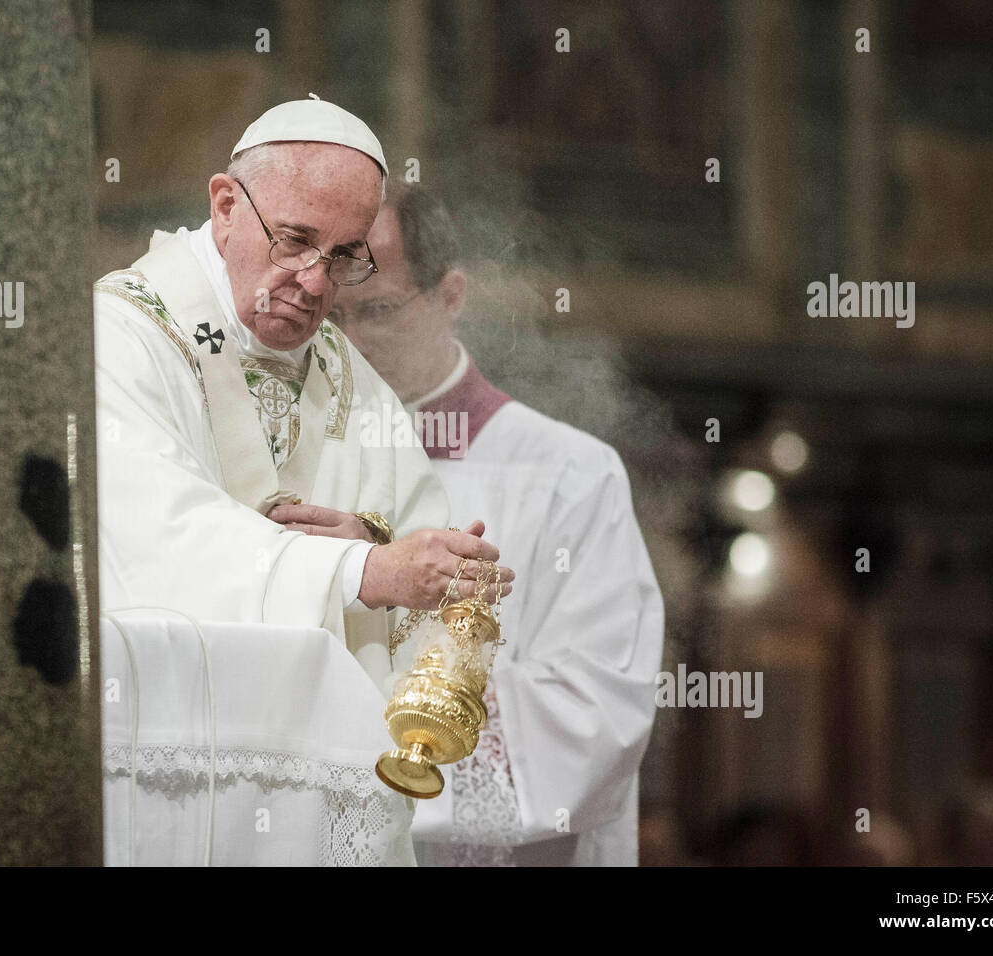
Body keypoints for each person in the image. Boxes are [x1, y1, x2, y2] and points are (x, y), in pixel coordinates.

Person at [93, 99, 513, 865]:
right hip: (167, 772)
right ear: (226, 206)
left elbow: (407, 545)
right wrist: (364, 571)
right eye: (294, 241)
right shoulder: (121, 335)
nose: (316, 283)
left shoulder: (350, 379)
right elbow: (156, 534)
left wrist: (412, 562)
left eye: (345, 256)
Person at [331, 183, 664, 865]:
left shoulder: (569, 474)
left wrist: (358, 739)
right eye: (331, 316)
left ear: (451, 296)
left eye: (378, 310)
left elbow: (595, 712)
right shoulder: (300, 458)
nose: (350, 342)